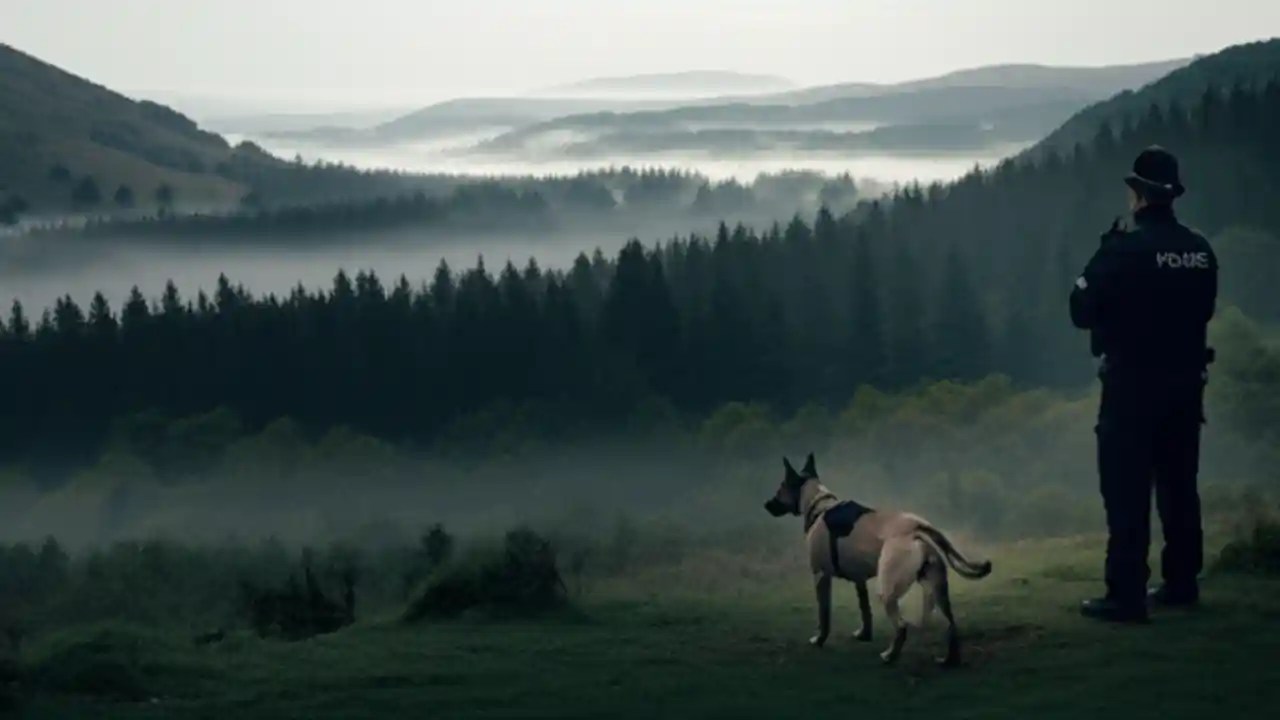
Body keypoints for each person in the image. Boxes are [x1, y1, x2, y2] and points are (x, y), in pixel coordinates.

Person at [1069, 146, 1218, 623]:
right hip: (1185, 385)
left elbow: (1080, 310)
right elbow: (1203, 311)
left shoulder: (1124, 250)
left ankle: (1126, 594)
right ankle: (1181, 583)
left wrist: (1099, 258)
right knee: (1179, 486)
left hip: (1131, 389)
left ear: (1137, 194)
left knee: (1127, 491)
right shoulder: (1199, 250)